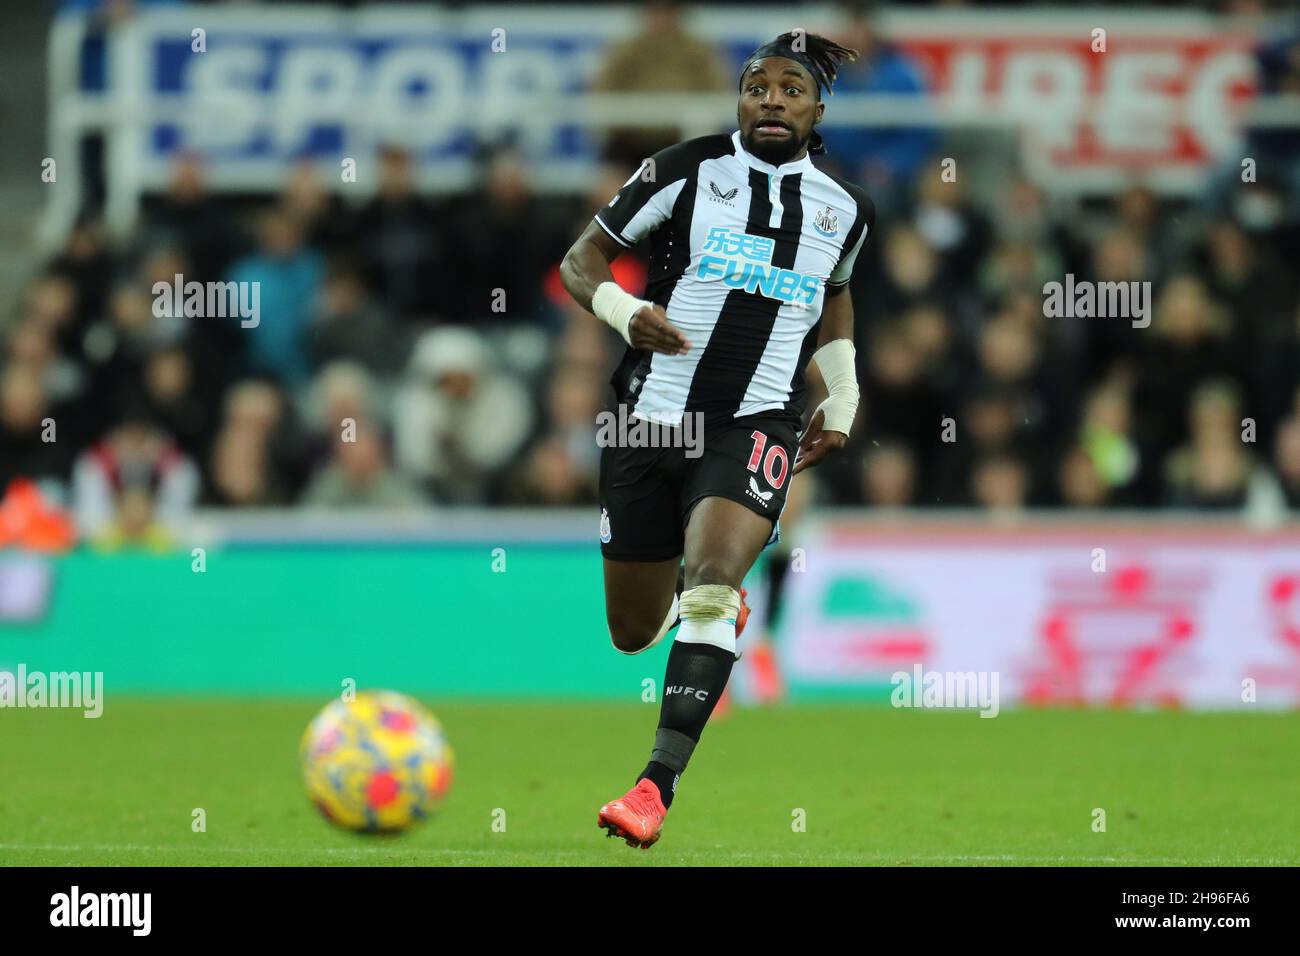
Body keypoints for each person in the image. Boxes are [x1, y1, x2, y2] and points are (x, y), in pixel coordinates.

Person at [560, 31, 872, 849]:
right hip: (647, 417)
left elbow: (834, 294)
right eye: (757, 86)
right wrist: (624, 312)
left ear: (817, 106)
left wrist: (839, 392)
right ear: (739, 99)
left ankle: (652, 788)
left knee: (710, 583)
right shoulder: (682, 169)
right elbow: (581, 259)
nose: (773, 100)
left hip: (755, 421)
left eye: (791, 89)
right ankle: (704, 627)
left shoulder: (846, 207)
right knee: (632, 630)